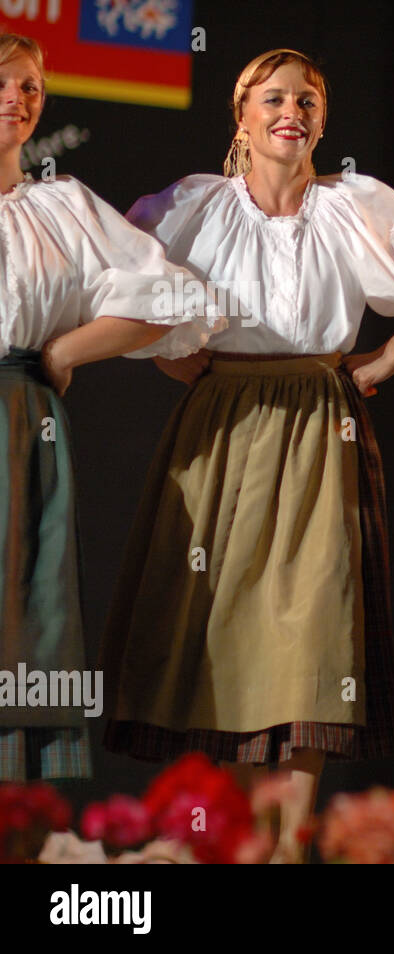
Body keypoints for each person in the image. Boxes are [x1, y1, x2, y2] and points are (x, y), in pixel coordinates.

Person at [98, 48, 394, 862]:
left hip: (319, 430)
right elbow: (115, 281)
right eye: (274, 98)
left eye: (307, 99)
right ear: (243, 117)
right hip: (222, 430)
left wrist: (389, 357)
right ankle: (214, 841)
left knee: (311, 641)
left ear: (323, 121)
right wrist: (172, 354)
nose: (291, 111)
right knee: (214, 634)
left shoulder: (350, 207)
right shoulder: (195, 206)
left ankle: (286, 846)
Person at [0, 33, 214, 781]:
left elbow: (168, 298)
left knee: (23, 610)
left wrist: (61, 354)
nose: (16, 100)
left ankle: (16, 812)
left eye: (30, 88)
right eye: (2, 82)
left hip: (19, 424)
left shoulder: (61, 207)